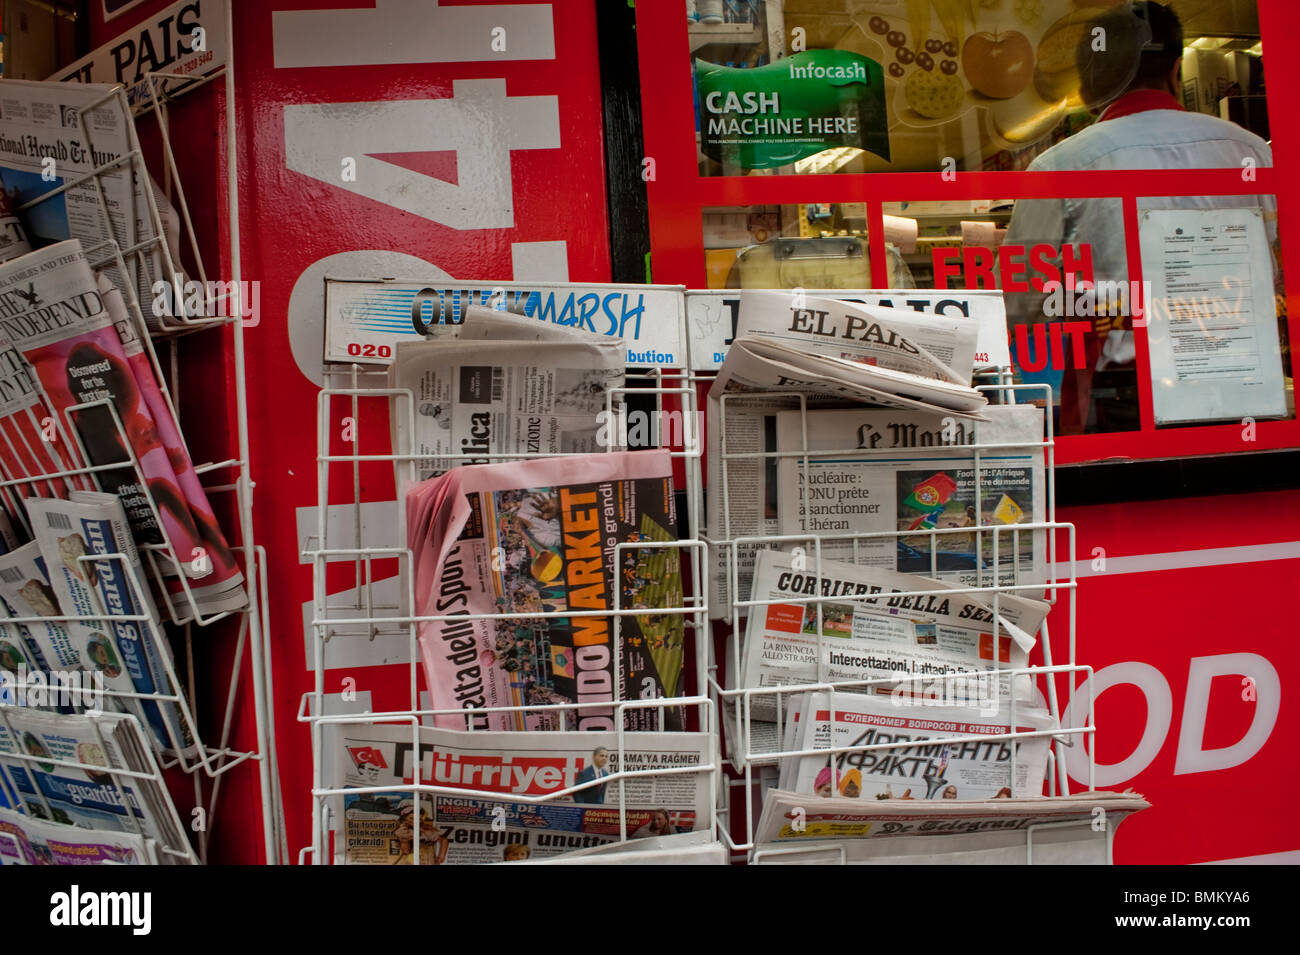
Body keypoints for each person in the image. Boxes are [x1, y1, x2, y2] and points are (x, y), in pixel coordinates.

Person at [1004, 1, 1276, 434]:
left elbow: (1019, 303)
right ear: (1176, 68)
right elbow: (1276, 271)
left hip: (1127, 398)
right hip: (1244, 384)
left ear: (1093, 81)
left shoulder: (1063, 165)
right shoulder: (1251, 151)